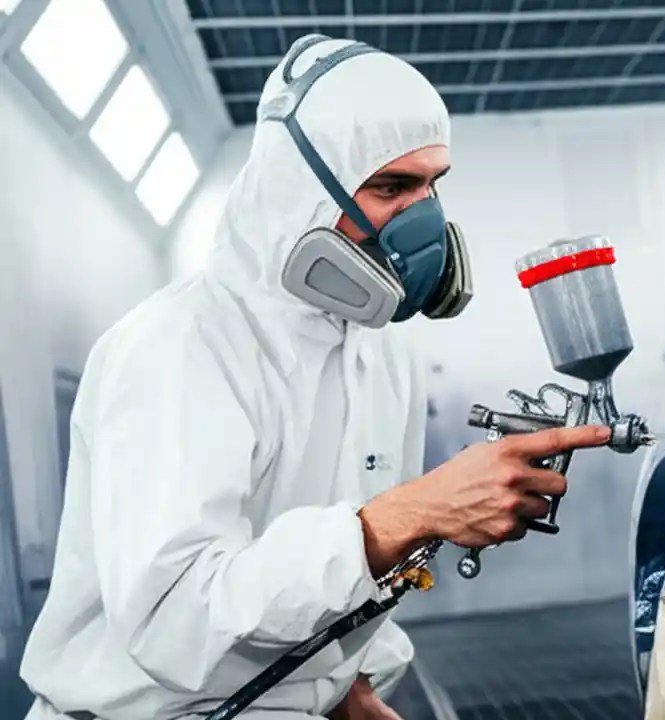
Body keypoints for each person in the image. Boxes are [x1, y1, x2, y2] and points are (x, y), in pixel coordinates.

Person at [19, 35, 608, 720]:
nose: (424, 220)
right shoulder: (176, 346)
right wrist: (412, 513)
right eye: (391, 187)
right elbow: (174, 621)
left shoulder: (382, 354)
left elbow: (338, 583)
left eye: (432, 184)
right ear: (298, 193)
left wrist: (343, 687)